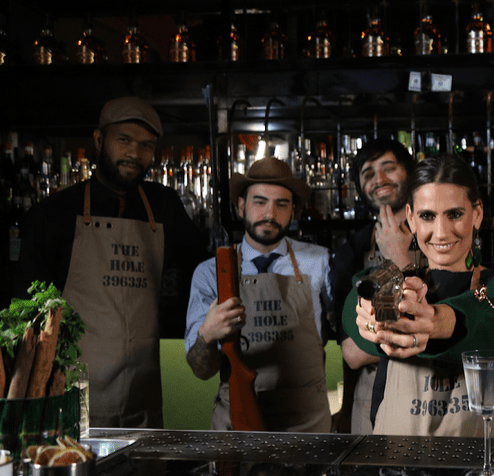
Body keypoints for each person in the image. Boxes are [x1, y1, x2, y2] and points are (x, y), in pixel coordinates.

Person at [14, 96, 207, 428]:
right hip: (70, 398)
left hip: (143, 396)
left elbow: (202, 271)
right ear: (99, 140)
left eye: (146, 145)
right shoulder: (54, 213)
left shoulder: (164, 206)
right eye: (124, 140)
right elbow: (27, 314)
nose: (135, 153)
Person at [345, 154, 494, 437]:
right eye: (427, 216)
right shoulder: (397, 286)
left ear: (477, 214)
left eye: (454, 214)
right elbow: (355, 304)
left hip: (488, 471)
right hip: (398, 469)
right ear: (411, 219)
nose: (441, 233)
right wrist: (369, 312)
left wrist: (434, 321)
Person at [184, 157, 333, 432]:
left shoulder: (319, 262)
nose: (270, 214)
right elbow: (201, 370)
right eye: (260, 202)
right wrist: (207, 333)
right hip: (237, 427)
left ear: (293, 210)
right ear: (241, 206)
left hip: (307, 428)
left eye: (281, 204)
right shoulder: (211, 273)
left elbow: (348, 331)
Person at [329, 139, 427, 434]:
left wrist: (382, 336)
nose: (379, 180)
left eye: (388, 168)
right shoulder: (351, 252)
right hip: (371, 399)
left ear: (410, 173)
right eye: (368, 174)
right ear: (360, 188)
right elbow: (353, 353)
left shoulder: (438, 237)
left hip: (439, 394)